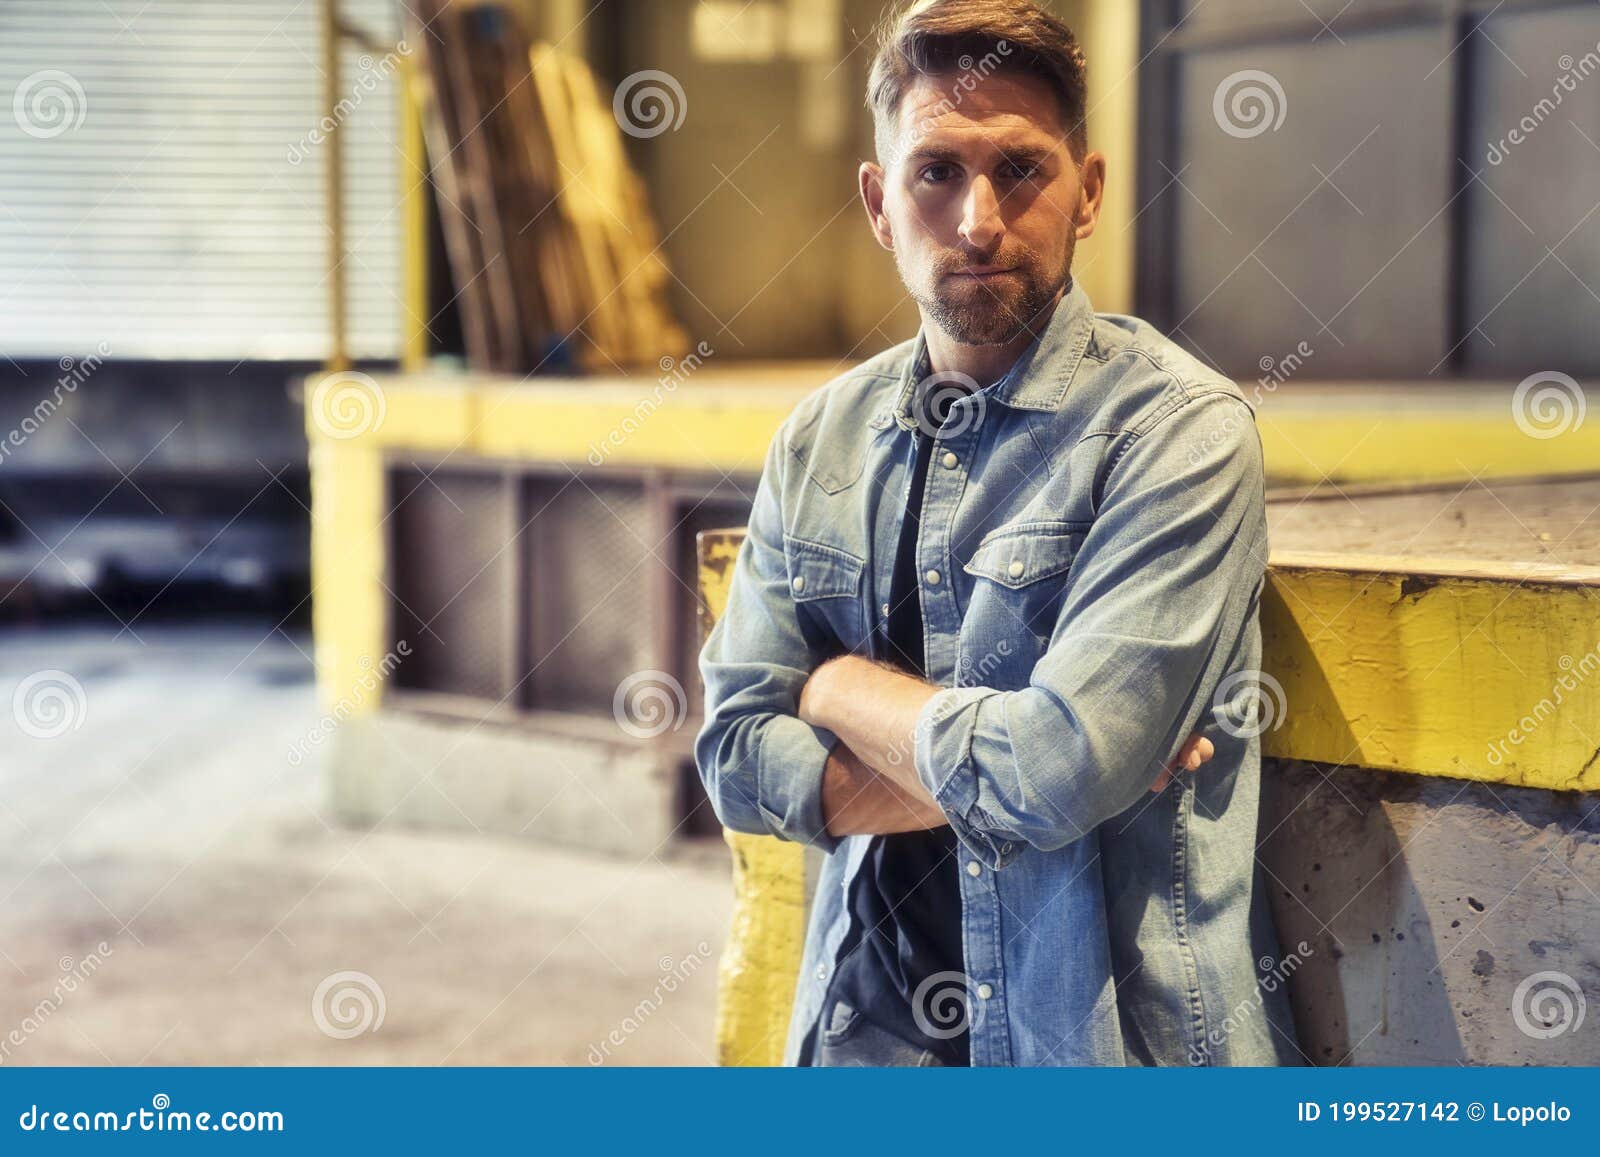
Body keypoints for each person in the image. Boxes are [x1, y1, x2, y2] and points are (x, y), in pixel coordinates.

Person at [696, 0, 1302, 1067]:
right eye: (936, 172)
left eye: (1020, 170)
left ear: (1089, 192)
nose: (978, 221)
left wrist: (832, 688)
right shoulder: (819, 440)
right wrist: (1035, 763)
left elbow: (1055, 770)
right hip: (861, 1046)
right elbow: (737, 759)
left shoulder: (1177, 432)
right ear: (880, 204)